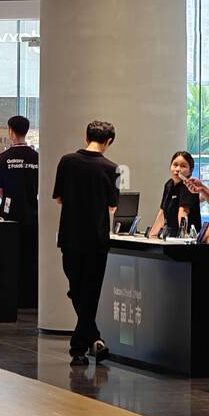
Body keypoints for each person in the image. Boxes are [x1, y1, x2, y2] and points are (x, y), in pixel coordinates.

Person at [52, 121, 120, 366]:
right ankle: (90, 342)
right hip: (97, 241)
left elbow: (58, 198)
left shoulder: (66, 161)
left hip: (69, 237)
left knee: (76, 290)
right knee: (89, 293)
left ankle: (81, 347)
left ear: (85, 136)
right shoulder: (111, 168)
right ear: (109, 141)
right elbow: (113, 206)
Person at [0, 115, 40, 223]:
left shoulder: (2, 158)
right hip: (32, 212)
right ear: (26, 131)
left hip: (9, 213)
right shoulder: (37, 158)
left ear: (11, 131)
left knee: (9, 239)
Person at [147, 151, 202, 238]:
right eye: (175, 165)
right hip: (171, 236)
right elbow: (162, 212)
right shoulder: (168, 184)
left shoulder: (189, 186)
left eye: (183, 166)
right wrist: (152, 235)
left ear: (190, 170)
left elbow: (183, 212)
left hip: (187, 237)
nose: (177, 169)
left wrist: (183, 234)